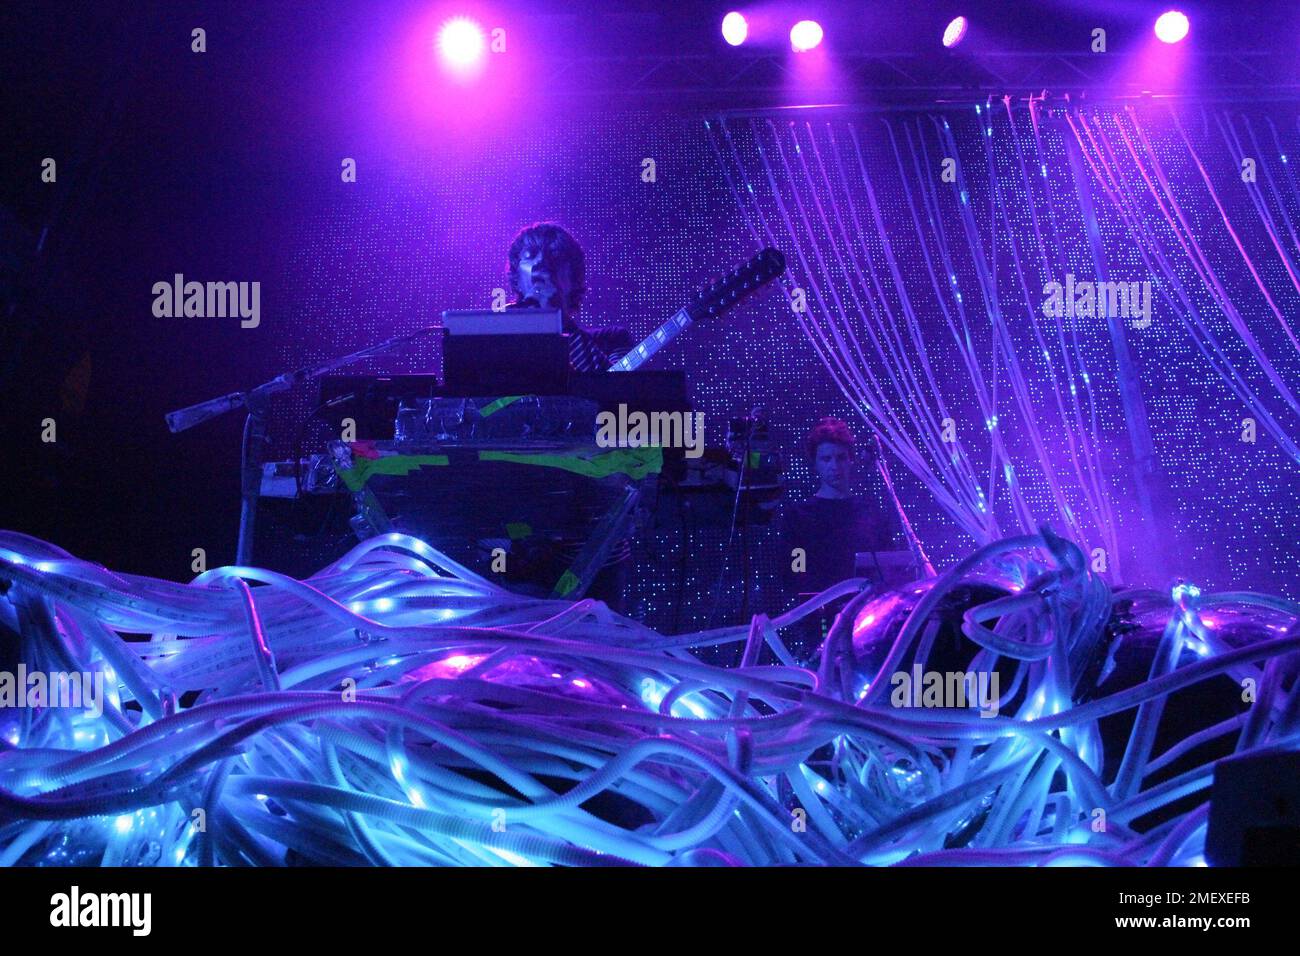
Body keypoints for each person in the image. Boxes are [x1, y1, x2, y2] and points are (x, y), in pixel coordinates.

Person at [779, 417, 903, 660]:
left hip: (871, 618)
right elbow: (794, 574)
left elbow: (891, 566)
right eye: (826, 459)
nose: (834, 466)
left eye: (840, 458)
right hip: (820, 622)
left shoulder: (871, 512)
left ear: (851, 460)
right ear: (815, 463)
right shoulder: (799, 516)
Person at [506, 221, 631, 371]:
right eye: (530, 255)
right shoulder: (498, 344)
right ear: (517, 280)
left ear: (574, 279)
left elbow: (611, 390)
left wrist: (557, 318)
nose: (541, 261)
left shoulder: (612, 340)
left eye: (555, 256)